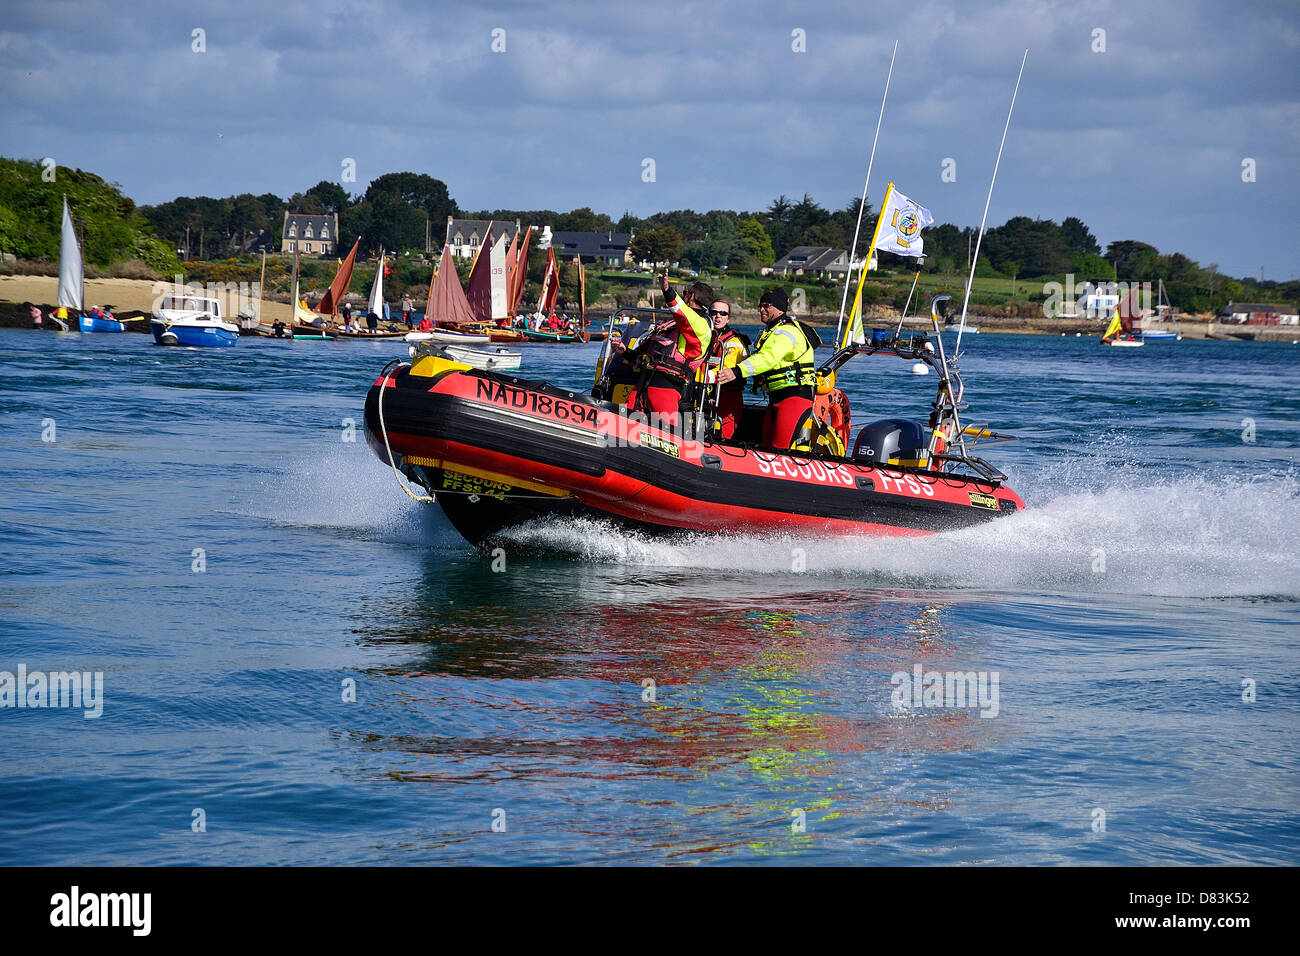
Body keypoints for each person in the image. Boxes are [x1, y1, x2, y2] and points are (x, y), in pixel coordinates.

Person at [717, 288, 818, 449]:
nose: (761, 309)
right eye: (760, 306)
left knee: (779, 448)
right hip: (776, 398)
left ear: (779, 308)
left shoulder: (786, 332)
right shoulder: (773, 331)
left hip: (794, 398)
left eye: (766, 306)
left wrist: (736, 372)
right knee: (766, 445)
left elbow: (767, 358)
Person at [612, 274, 714, 427]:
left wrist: (666, 290)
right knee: (622, 426)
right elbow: (647, 354)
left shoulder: (700, 326)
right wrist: (625, 352)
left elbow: (680, 310)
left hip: (666, 386)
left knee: (668, 433)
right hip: (643, 384)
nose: (683, 296)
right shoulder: (672, 325)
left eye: (685, 292)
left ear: (691, 297)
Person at [698, 298, 751, 440]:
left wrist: (699, 376)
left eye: (722, 313)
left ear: (728, 318)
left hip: (727, 397)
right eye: (714, 312)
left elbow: (727, 368)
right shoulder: (703, 337)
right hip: (702, 395)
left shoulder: (735, 342)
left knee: (723, 438)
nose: (718, 316)